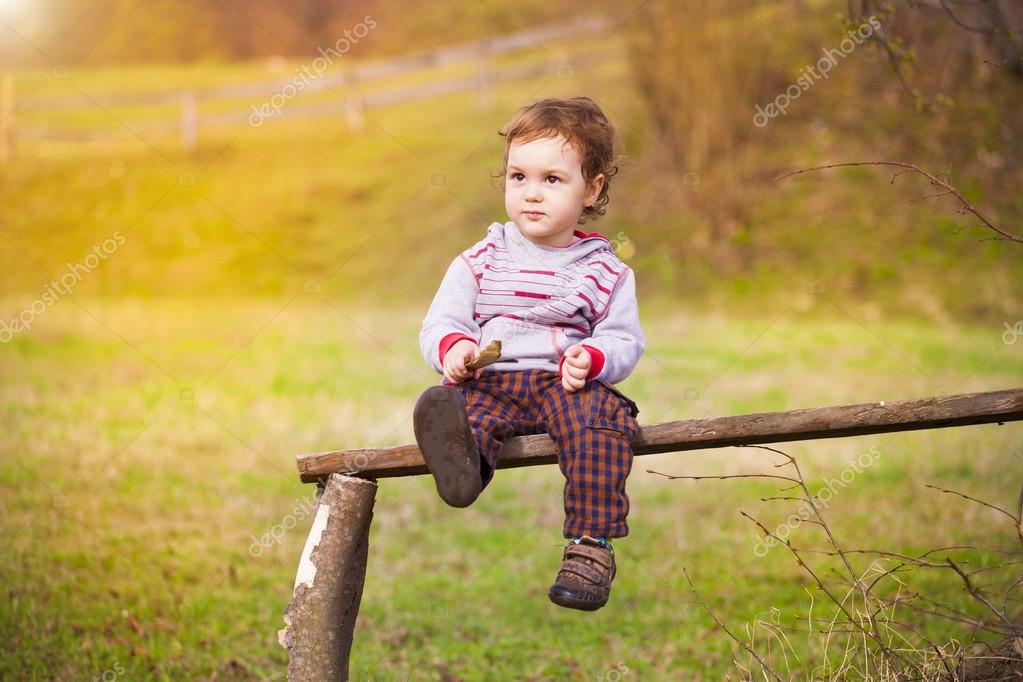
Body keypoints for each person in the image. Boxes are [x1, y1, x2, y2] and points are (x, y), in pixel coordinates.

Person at [414, 96, 644, 611]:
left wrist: (595, 358)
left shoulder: (605, 272)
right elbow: (441, 322)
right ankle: (466, 464)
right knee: (463, 409)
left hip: (564, 385)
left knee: (602, 423)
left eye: (552, 180)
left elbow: (625, 338)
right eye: (518, 177)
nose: (531, 194)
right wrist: (455, 349)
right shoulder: (481, 259)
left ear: (593, 188)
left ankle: (590, 547)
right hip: (491, 381)